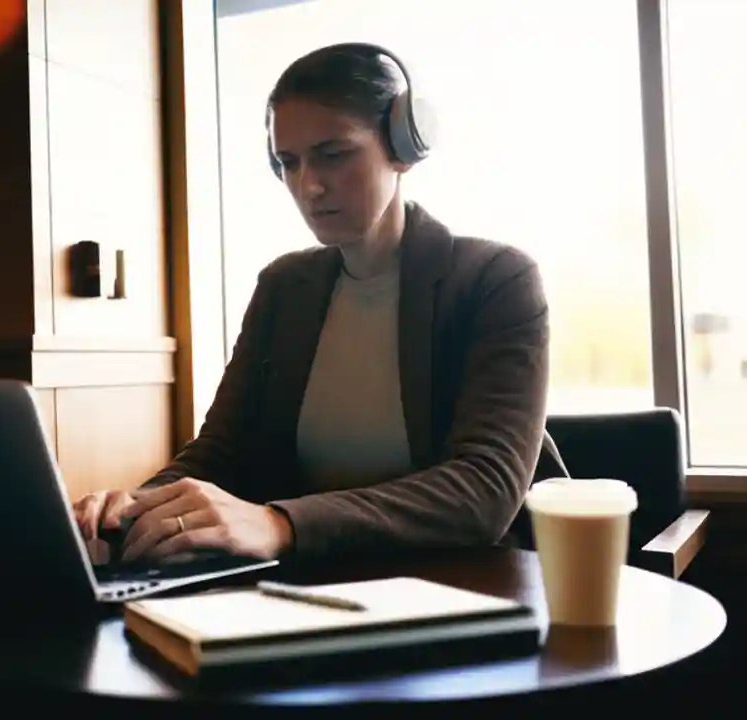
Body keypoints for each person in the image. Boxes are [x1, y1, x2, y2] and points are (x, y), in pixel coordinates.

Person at [73, 42, 567, 565]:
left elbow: (483, 490)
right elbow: (221, 452)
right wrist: (136, 504)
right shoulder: (284, 287)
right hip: (311, 587)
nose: (309, 185)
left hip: (471, 586)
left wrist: (279, 523)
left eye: (333, 154)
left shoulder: (495, 280)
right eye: (289, 162)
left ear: (402, 147)